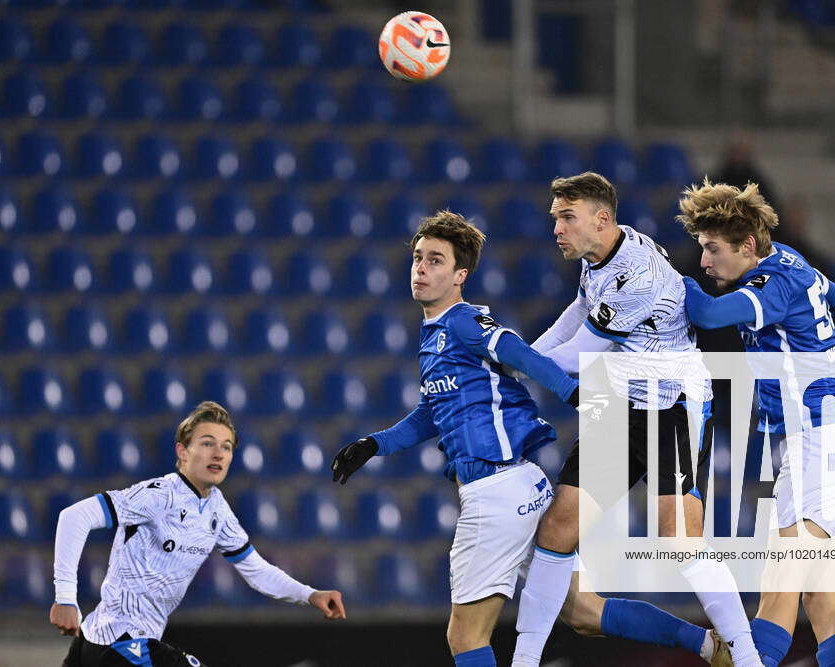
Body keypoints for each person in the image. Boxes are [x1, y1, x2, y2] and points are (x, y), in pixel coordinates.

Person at [511, 172, 762, 667]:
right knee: (559, 527)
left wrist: (507, 359)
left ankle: (746, 657)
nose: (556, 229)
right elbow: (576, 313)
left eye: (567, 217)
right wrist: (521, 356)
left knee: (681, 541)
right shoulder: (601, 258)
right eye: (554, 218)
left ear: (601, 219)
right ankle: (524, 660)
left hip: (674, 407)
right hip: (624, 403)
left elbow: (578, 354)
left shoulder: (636, 274)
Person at [330, 211, 581, 667]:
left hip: (494, 494)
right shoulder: (433, 335)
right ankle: (708, 645)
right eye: (417, 258)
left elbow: (519, 354)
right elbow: (432, 412)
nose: (421, 268)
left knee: (465, 637)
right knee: (584, 611)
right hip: (522, 485)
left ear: (460, 275)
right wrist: (374, 445)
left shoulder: (464, 322)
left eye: (436, 261)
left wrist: (574, 393)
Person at [677, 178, 835, 667]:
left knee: (777, 597)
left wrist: (663, 272)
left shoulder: (772, 282)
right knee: (824, 602)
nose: (704, 263)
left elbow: (707, 312)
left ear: (747, 245)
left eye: (711, 249)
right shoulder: (791, 261)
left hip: (816, 448)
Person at [50, 401, 345, 666]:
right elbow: (75, 516)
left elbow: (256, 570)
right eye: (207, 443)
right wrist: (65, 597)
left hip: (100, 641)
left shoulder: (217, 509)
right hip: (120, 640)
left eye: (227, 446)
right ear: (182, 451)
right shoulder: (159, 495)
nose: (218, 453)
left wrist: (310, 594)